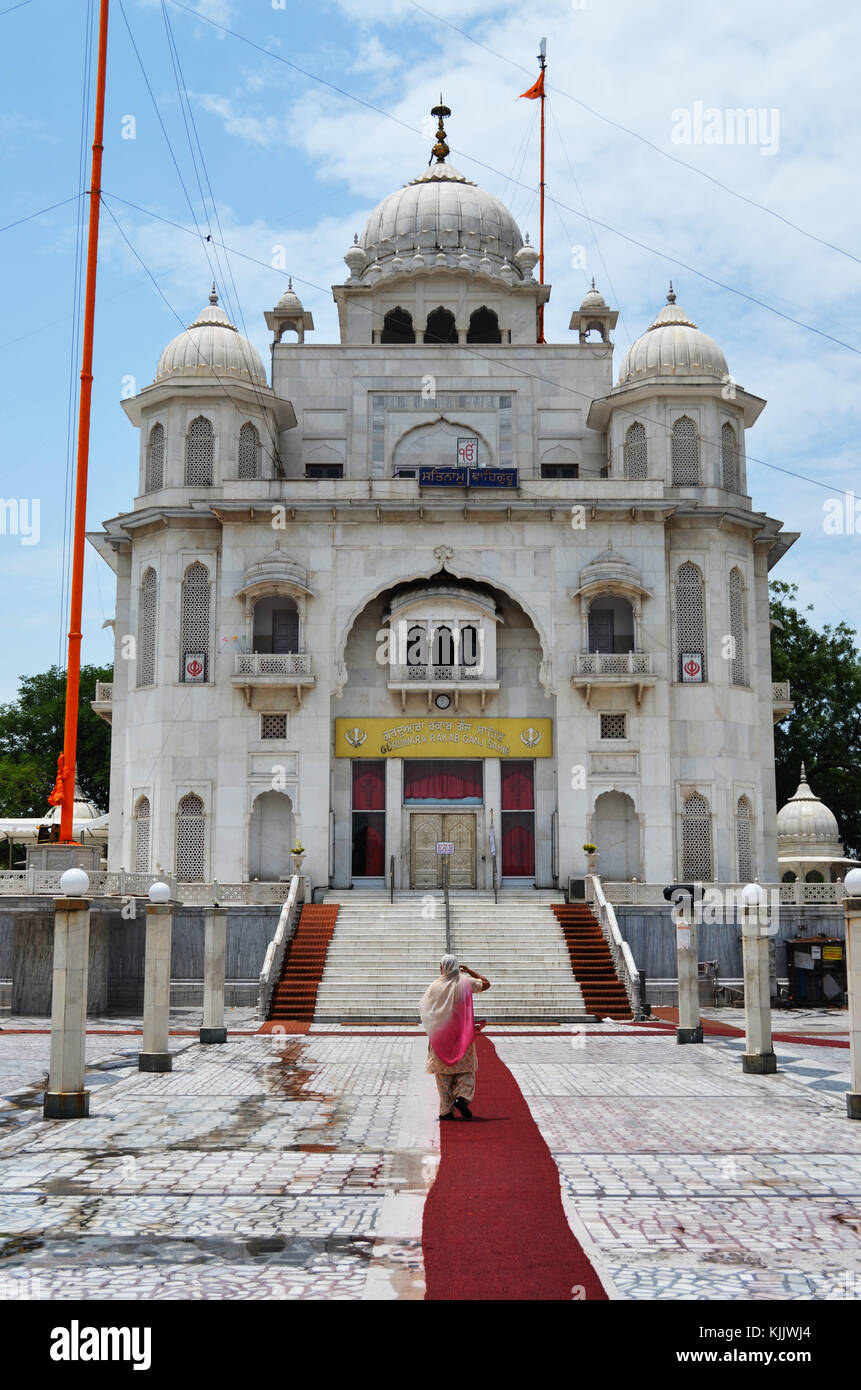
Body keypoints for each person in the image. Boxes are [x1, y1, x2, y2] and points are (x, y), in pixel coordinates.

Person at [419, 954, 490, 1121]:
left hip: (441, 1036)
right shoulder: (465, 982)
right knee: (466, 1071)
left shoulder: (435, 986)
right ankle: (462, 1097)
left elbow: (424, 1006)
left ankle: (446, 1111)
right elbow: (486, 984)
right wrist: (470, 971)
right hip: (461, 1036)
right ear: (457, 966)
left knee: (443, 1077)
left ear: (442, 967)